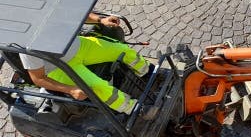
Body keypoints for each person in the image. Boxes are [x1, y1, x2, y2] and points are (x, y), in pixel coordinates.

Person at [20, 12, 155, 118]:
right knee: (98, 86)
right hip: (60, 67)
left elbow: (77, 14)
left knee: (123, 49)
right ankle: (133, 108)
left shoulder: (53, 13)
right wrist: (70, 90)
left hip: (80, 46)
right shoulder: (28, 46)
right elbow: (38, 78)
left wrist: (100, 20)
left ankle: (148, 72)